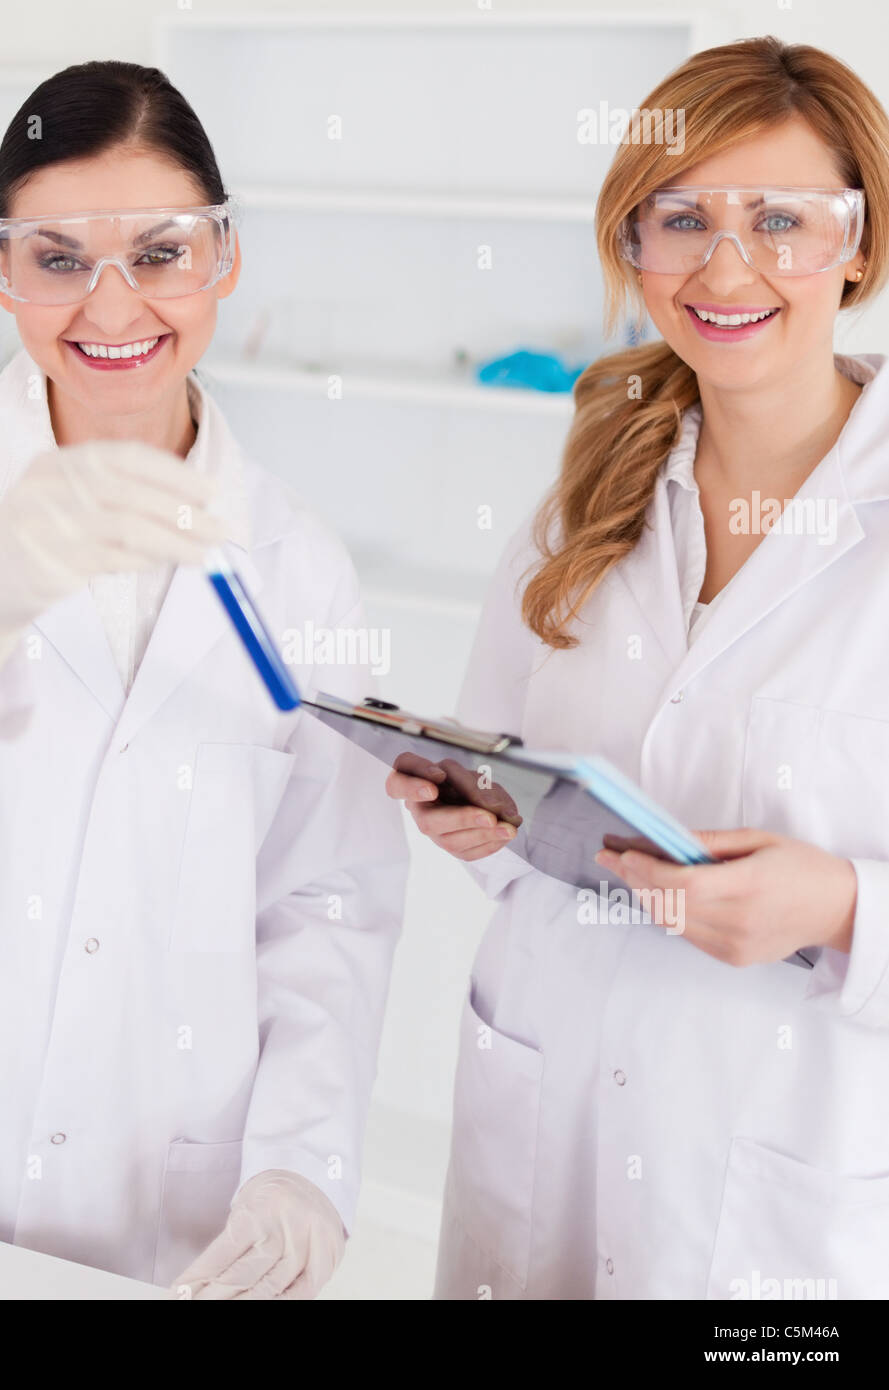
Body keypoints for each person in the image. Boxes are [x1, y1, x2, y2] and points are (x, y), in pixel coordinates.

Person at [0, 60, 408, 1299]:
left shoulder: (297, 571)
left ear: (223, 257)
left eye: (162, 252)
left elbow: (323, 902)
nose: (111, 302)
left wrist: (299, 1164)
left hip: (154, 1219)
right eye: (57, 258)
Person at [388, 36, 889, 1299]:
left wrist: (840, 908)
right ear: (633, 246)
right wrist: (479, 815)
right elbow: (513, 765)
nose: (727, 267)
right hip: (547, 1128)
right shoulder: (591, 491)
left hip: (779, 1198)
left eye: (783, 220)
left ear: (862, 247)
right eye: (682, 220)